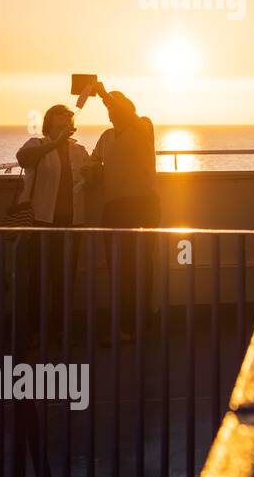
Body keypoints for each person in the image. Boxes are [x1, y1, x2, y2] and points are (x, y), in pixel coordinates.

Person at [85, 84, 159, 341]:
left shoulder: (143, 126)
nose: (110, 112)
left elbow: (124, 114)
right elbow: (93, 161)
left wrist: (104, 93)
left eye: (114, 108)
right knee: (118, 267)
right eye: (108, 109)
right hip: (114, 206)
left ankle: (139, 326)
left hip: (142, 205)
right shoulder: (106, 137)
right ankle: (125, 326)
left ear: (128, 109)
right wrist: (91, 171)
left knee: (139, 266)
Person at [15, 105, 90, 345]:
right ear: (49, 123)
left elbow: (89, 176)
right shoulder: (36, 145)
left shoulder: (79, 150)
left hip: (72, 223)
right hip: (41, 221)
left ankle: (60, 331)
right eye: (59, 121)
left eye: (67, 121)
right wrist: (55, 143)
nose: (64, 124)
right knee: (38, 278)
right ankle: (35, 332)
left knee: (65, 280)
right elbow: (23, 159)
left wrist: (94, 173)